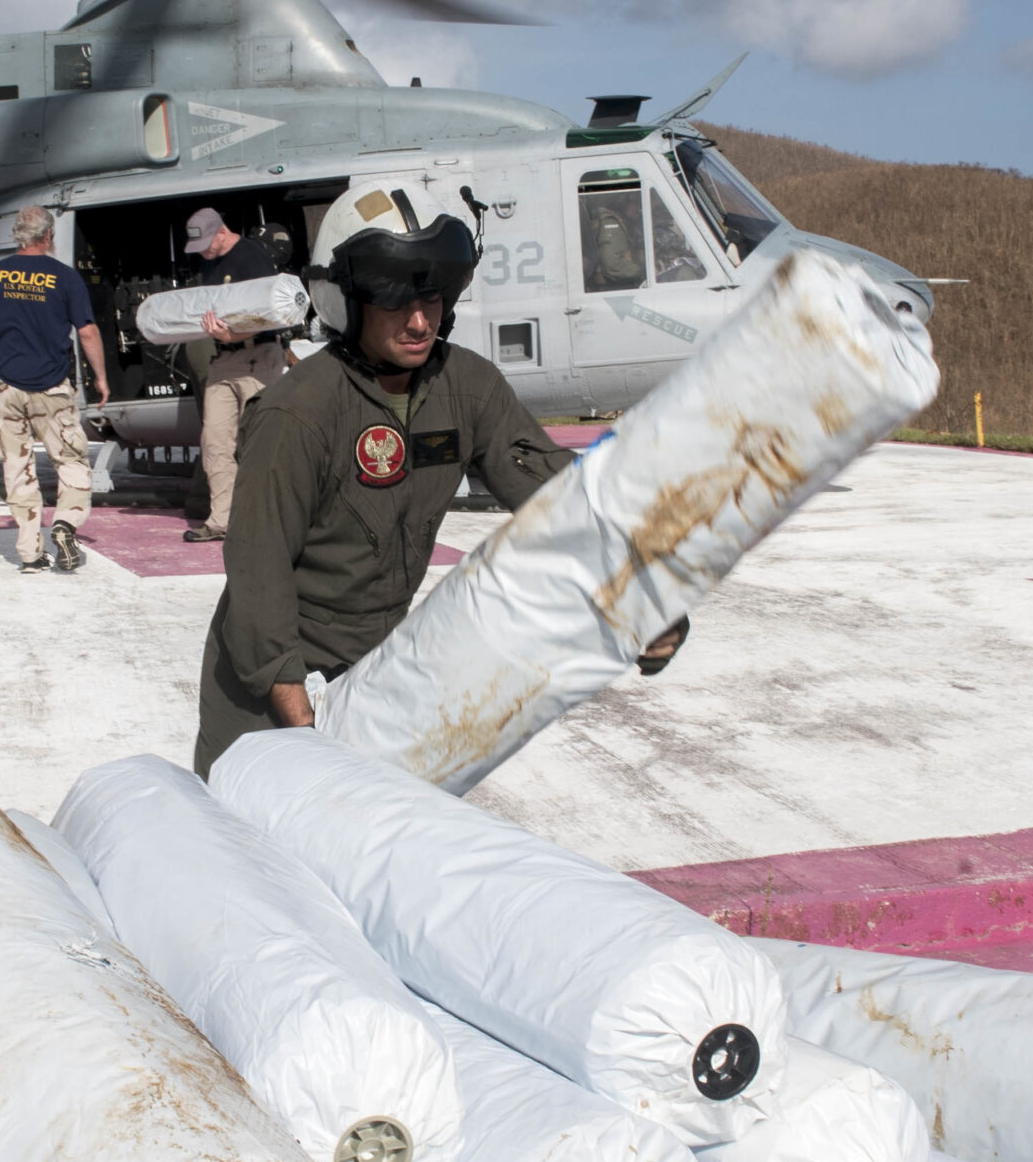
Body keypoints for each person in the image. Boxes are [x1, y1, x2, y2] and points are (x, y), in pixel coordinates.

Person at [195, 178, 687, 774]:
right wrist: (303, 724)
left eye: (434, 296)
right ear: (343, 299)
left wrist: (641, 593)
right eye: (395, 297)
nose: (420, 320)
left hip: (375, 676)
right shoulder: (296, 413)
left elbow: (557, 496)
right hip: (267, 684)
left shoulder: (466, 389)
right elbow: (258, 573)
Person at [0, 205, 112, 574]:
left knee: (17, 467)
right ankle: (65, 524)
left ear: (18, 235)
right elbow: (87, 331)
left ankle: (31, 554)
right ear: (48, 236)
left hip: (6, 389)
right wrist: (101, 377)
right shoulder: (64, 277)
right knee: (71, 461)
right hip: (52, 388)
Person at [180, 205, 292, 545]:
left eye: (205, 246)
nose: (202, 254)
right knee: (215, 440)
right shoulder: (209, 262)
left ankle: (269, 520)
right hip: (223, 360)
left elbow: (271, 314)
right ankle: (221, 520)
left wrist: (234, 335)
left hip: (257, 357)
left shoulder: (253, 258)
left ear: (221, 232)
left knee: (258, 442)